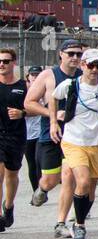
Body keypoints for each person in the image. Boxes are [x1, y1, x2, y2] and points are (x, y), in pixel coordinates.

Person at [48, 49, 98, 239]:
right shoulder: (70, 85)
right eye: (90, 65)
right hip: (73, 141)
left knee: (90, 189)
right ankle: (79, 225)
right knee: (81, 181)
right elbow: (53, 97)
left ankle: (78, 220)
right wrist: (53, 122)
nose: (94, 69)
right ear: (82, 66)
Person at [24, 39, 84, 238]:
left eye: (78, 54)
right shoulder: (48, 75)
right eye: (71, 54)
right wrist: (52, 115)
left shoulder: (84, 76)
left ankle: (61, 222)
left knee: (70, 177)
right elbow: (29, 103)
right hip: (51, 134)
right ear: (61, 54)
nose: (75, 57)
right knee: (51, 180)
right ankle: (41, 189)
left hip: (75, 136)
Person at [0, 48, 27, 233]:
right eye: (0, 61)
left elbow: (34, 107)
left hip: (16, 135)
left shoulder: (22, 86)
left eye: (6, 61)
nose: (2, 64)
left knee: (11, 175)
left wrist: (22, 113)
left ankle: (8, 206)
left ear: (14, 63)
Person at [22, 66, 43, 200]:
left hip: (42, 133)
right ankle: (36, 192)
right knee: (32, 163)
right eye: (32, 74)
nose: (35, 77)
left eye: (37, 74)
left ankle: (42, 188)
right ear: (28, 77)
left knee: (39, 161)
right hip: (27, 134)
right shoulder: (23, 93)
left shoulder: (46, 90)